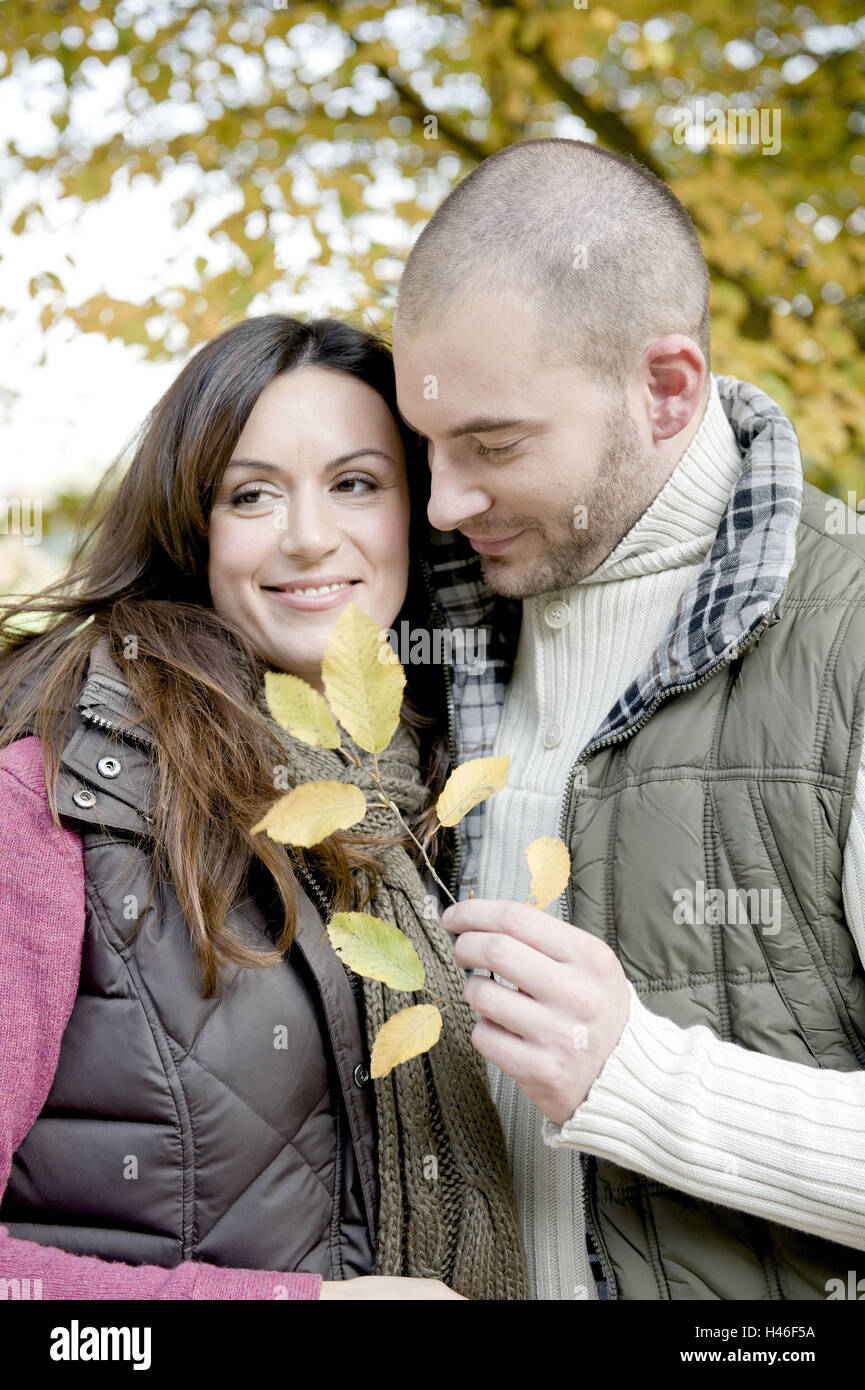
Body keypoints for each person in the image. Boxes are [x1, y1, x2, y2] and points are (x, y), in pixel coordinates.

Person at [391, 137, 865, 1300]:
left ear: (665, 389)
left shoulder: (845, 643)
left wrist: (640, 1079)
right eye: (425, 444)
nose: (444, 502)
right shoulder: (414, 645)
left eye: (494, 444)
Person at [0, 314, 528, 1301]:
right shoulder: (55, 784)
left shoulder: (449, 792)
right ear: (189, 523)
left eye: (355, 483)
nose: (309, 536)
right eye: (251, 494)